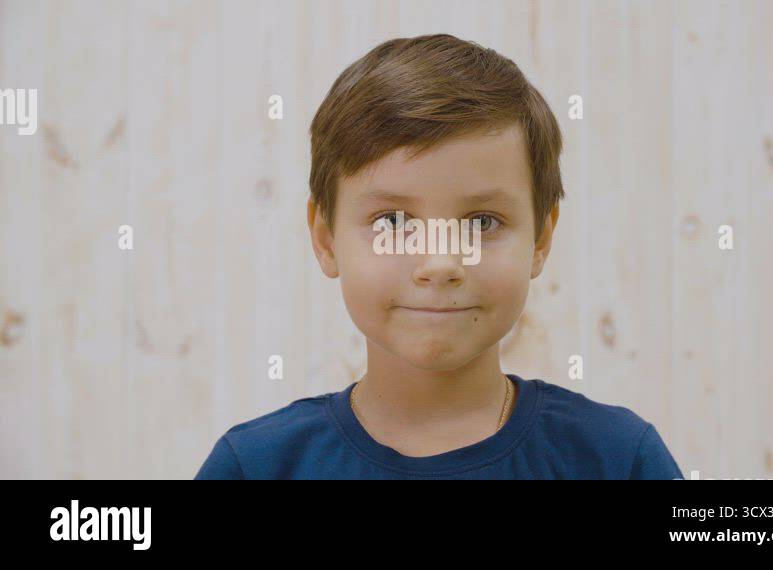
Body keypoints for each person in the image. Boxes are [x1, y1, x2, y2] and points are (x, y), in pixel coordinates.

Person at [195, 33, 682, 479]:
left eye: (482, 223)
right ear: (326, 238)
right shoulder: (255, 467)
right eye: (392, 223)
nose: (440, 264)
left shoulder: (617, 460)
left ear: (540, 239)